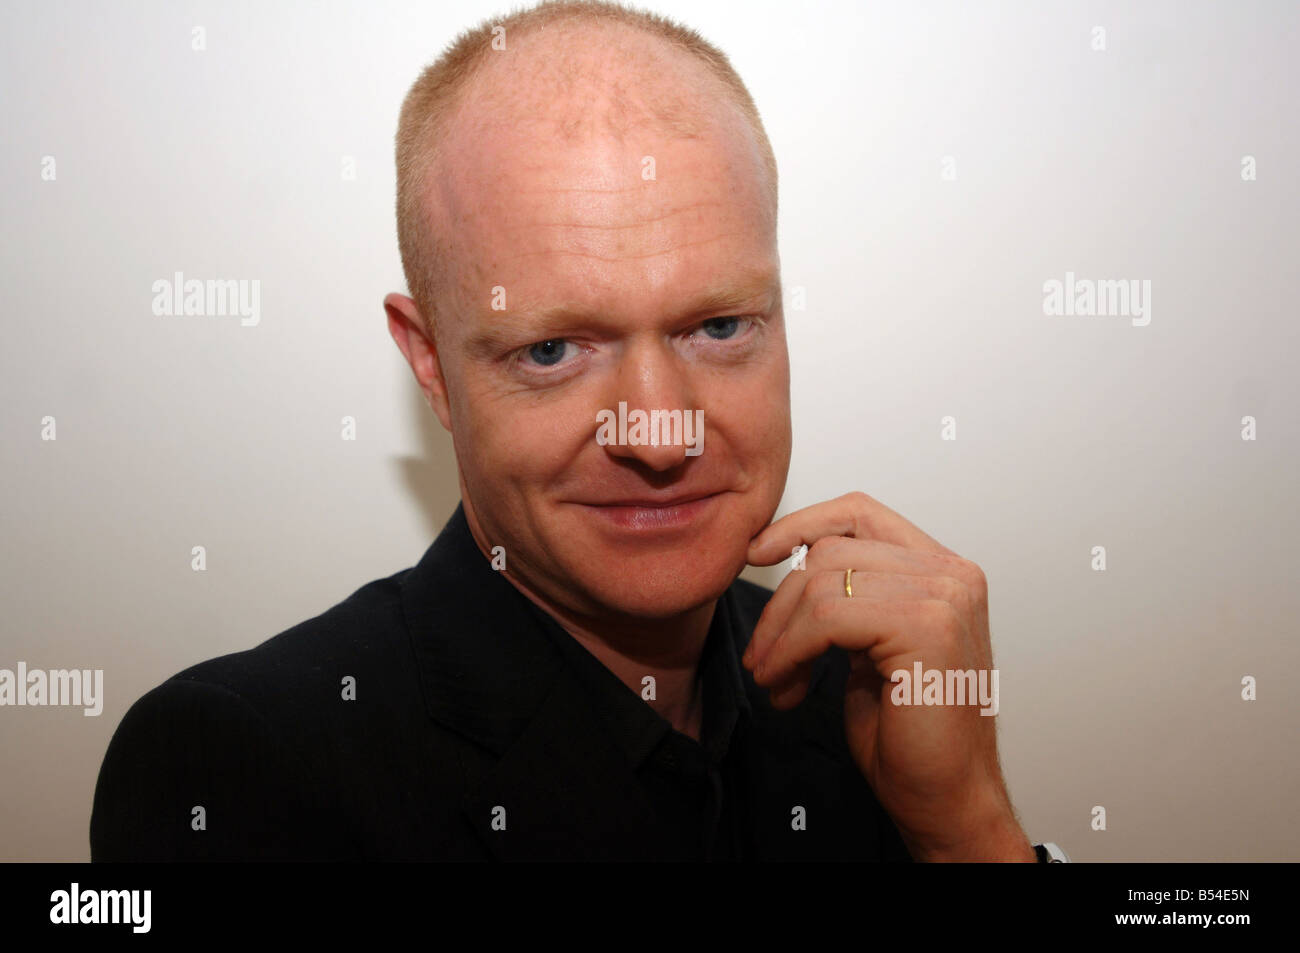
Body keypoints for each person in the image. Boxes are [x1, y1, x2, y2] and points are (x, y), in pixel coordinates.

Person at [91, 0, 1054, 862]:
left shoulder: (870, 694)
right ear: (429, 363)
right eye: (554, 350)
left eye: (719, 327)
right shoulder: (243, 765)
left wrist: (969, 832)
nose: (661, 431)